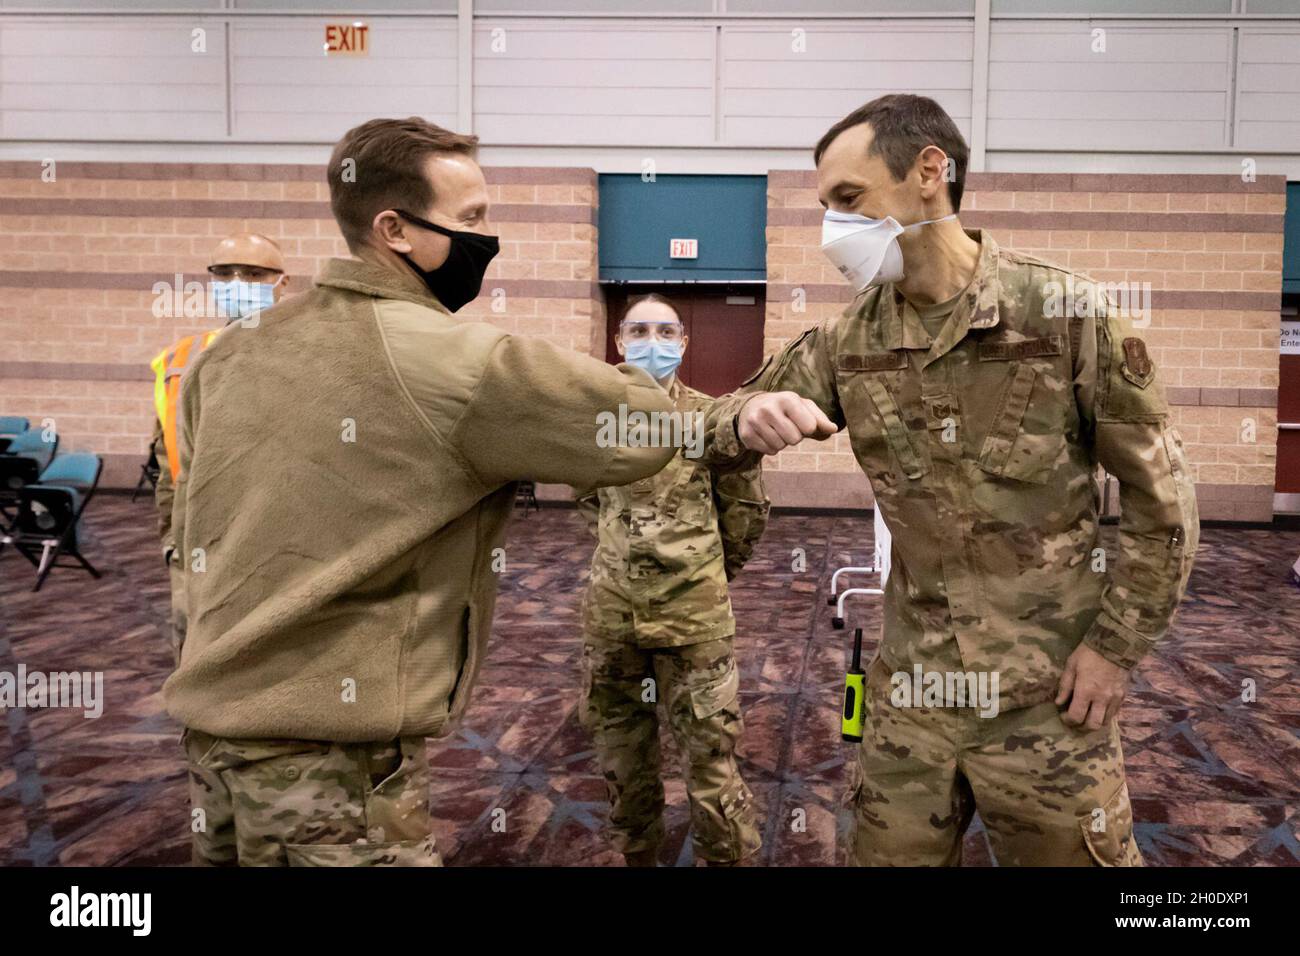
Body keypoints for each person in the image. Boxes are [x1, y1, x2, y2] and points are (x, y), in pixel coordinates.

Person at [164, 117, 679, 866]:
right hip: (333, 763)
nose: (485, 238)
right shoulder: (451, 356)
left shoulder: (228, 358)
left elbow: (192, 534)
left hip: (214, 738)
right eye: (470, 220)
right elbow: (646, 427)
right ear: (395, 230)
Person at [701, 94, 1199, 866]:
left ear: (929, 171)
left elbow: (1162, 503)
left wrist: (1115, 648)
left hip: (1049, 699)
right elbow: (726, 423)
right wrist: (747, 418)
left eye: (849, 199)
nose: (834, 227)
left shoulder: (1065, 316)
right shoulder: (849, 340)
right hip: (912, 695)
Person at [576, 294, 770, 867]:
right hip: (612, 619)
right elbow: (587, 498)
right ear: (619, 340)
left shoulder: (711, 420)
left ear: (684, 344)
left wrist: (704, 573)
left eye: (665, 331)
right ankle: (639, 855)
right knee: (621, 760)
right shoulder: (594, 416)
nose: (652, 341)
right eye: (639, 330)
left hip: (694, 621)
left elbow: (745, 514)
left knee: (711, 763)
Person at [149, 233, 289, 664]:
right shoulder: (178, 361)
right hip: (199, 546)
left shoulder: (306, 356)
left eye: (253, 273)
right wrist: (173, 538)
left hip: (281, 545)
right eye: (224, 273)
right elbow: (165, 460)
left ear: (281, 283)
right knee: (196, 656)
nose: (237, 282)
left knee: (273, 663)